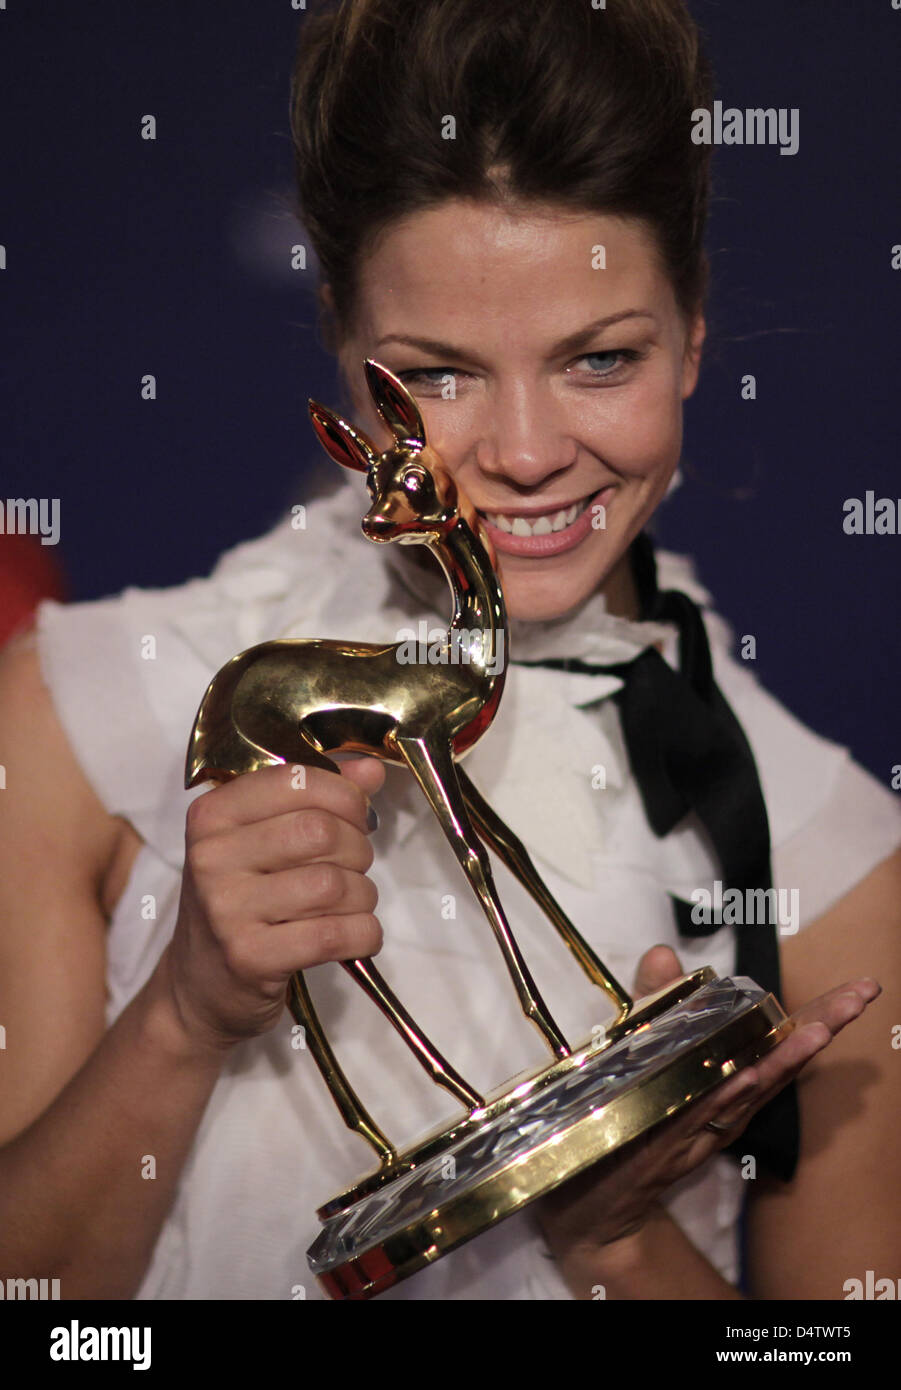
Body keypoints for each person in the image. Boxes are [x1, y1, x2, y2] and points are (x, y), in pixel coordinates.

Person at [1, 0, 899, 1302]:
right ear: (346, 360)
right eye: (442, 375)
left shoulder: (829, 855)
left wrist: (612, 1234)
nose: (526, 453)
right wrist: (186, 1013)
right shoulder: (69, 717)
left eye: (599, 359)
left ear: (692, 334)